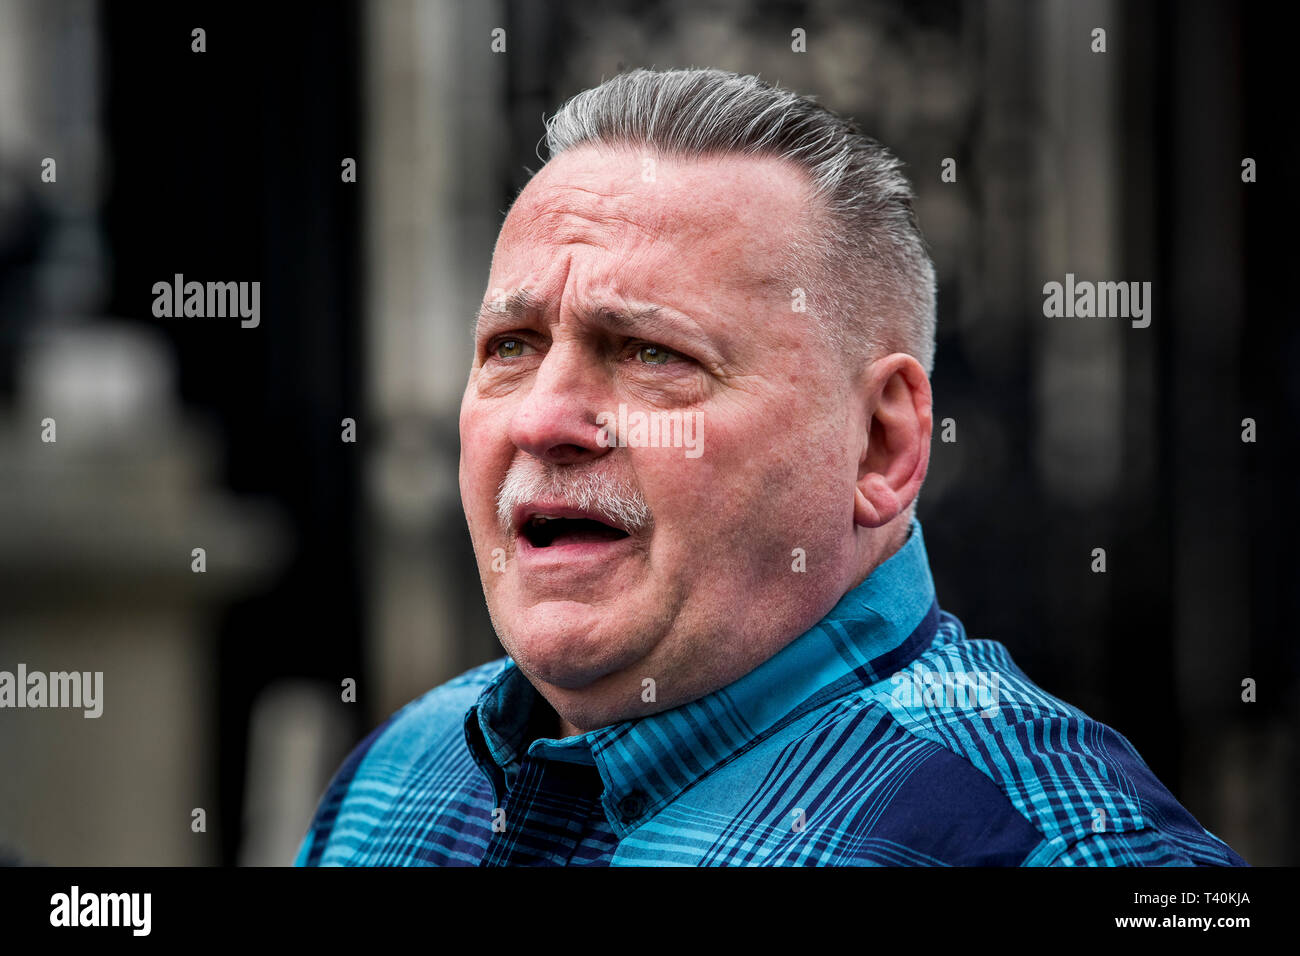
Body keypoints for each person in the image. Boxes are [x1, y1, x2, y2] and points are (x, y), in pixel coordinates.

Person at [294, 68, 1247, 866]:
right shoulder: (398, 776)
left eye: (650, 353)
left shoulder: (1051, 847)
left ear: (880, 445)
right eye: (510, 345)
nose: (544, 417)